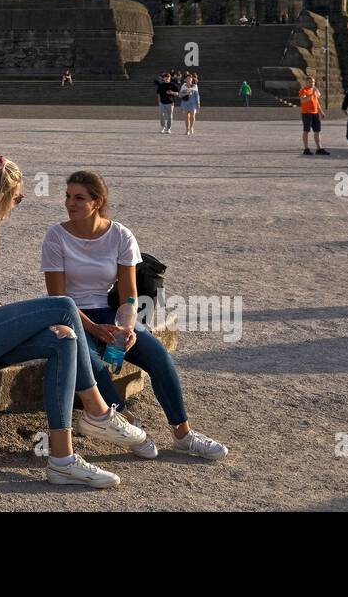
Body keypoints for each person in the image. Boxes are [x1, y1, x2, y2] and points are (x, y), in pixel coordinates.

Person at [0, 155, 143, 489]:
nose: (16, 206)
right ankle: (98, 411)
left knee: (64, 340)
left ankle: (62, 460)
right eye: (17, 198)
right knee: (61, 305)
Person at [42, 170, 229, 463]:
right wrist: (93, 328)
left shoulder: (120, 235)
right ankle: (129, 427)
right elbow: (57, 298)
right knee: (92, 364)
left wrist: (126, 328)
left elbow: (129, 294)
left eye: (79, 198)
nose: (70, 203)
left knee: (158, 356)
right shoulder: (56, 236)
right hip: (71, 315)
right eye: (67, 197)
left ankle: (184, 435)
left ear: (97, 201)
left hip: (110, 312)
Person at [299, 77, 329, 155]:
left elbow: (316, 102)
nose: (312, 83)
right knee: (306, 131)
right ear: (306, 82)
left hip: (315, 113)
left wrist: (321, 112)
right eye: (310, 82)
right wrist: (312, 93)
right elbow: (303, 101)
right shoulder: (303, 90)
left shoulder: (315, 90)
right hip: (306, 113)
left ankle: (319, 148)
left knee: (317, 131)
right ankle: (306, 149)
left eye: (313, 82)